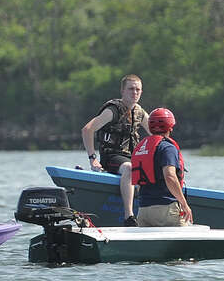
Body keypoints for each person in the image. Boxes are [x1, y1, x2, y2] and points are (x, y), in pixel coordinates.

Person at [81, 74, 149, 225]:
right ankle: (129, 216)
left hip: (132, 157)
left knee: (153, 172)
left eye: (138, 89)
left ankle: (150, 216)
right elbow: (87, 130)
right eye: (131, 89)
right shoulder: (113, 110)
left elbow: (157, 134)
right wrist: (92, 159)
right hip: (112, 157)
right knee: (130, 168)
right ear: (122, 91)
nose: (134, 92)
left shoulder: (140, 112)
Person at [131, 107, 193, 227]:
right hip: (166, 209)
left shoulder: (142, 148)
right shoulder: (167, 147)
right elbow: (170, 176)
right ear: (170, 127)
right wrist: (184, 204)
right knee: (184, 237)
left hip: (143, 210)